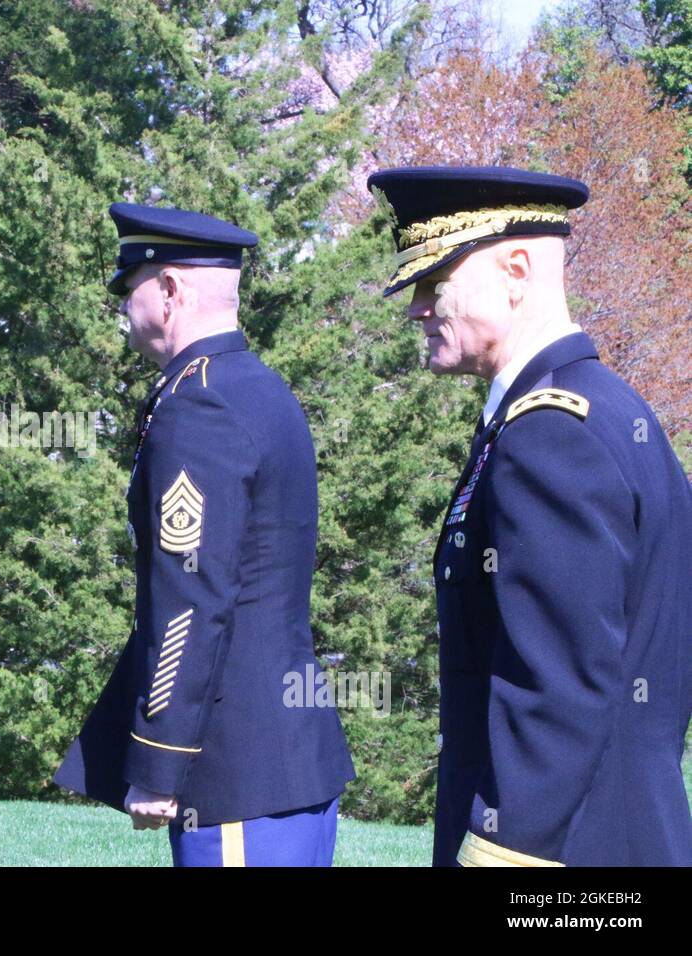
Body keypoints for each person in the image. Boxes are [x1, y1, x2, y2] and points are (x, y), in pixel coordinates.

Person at [367, 164, 692, 866]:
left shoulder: (551, 435)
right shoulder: (607, 411)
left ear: (517, 268)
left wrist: (500, 848)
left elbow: (557, 688)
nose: (416, 308)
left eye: (434, 282)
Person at [53, 203, 356, 866]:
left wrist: (158, 756)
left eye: (128, 290)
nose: (123, 310)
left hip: (233, 770)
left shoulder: (199, 406)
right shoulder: (258, 388)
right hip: (280, 760)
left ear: (169, 290)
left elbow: (191, 596)